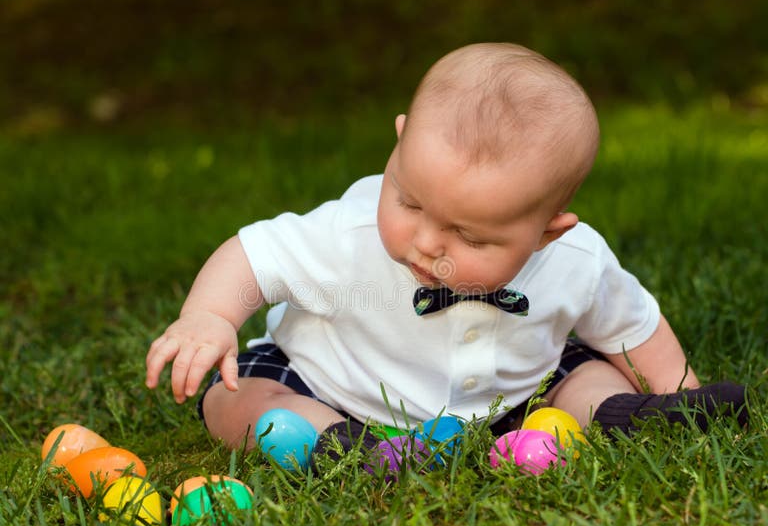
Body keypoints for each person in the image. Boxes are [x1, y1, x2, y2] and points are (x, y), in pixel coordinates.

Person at [145, 43, 747, 465]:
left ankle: (637, 416)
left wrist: (679, 388)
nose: (426, 242)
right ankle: (341, 449)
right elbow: (256, 255)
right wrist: (212, 316)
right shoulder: (348, 233)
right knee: (237, 400)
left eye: (471, 237)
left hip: (512, 402)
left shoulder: (578, 262)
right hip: (332, 388)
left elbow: (632, 329)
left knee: (585, 372)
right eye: (408, 202)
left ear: (547, 234)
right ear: (400, 139)